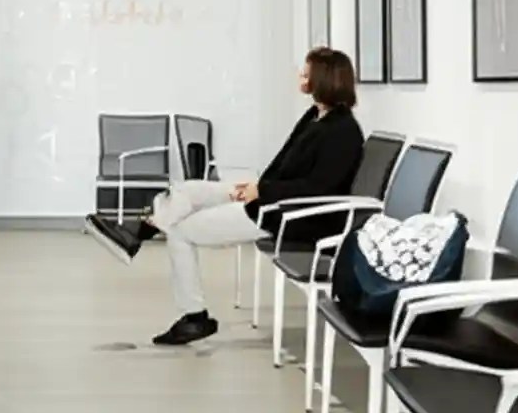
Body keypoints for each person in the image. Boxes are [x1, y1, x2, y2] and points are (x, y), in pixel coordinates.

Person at [85, 47, 365, 345]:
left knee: (178, 231)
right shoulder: (316, 116)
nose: (301, 77)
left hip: (286, 216)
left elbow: (319, 188)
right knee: (187, 189)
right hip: (269, 199)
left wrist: (262, 191)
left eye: (306, 74)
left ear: (324, 79)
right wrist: (255, 187)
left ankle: (193, 315)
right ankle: (137, 232)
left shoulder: (343, 131)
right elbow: (284, 164)